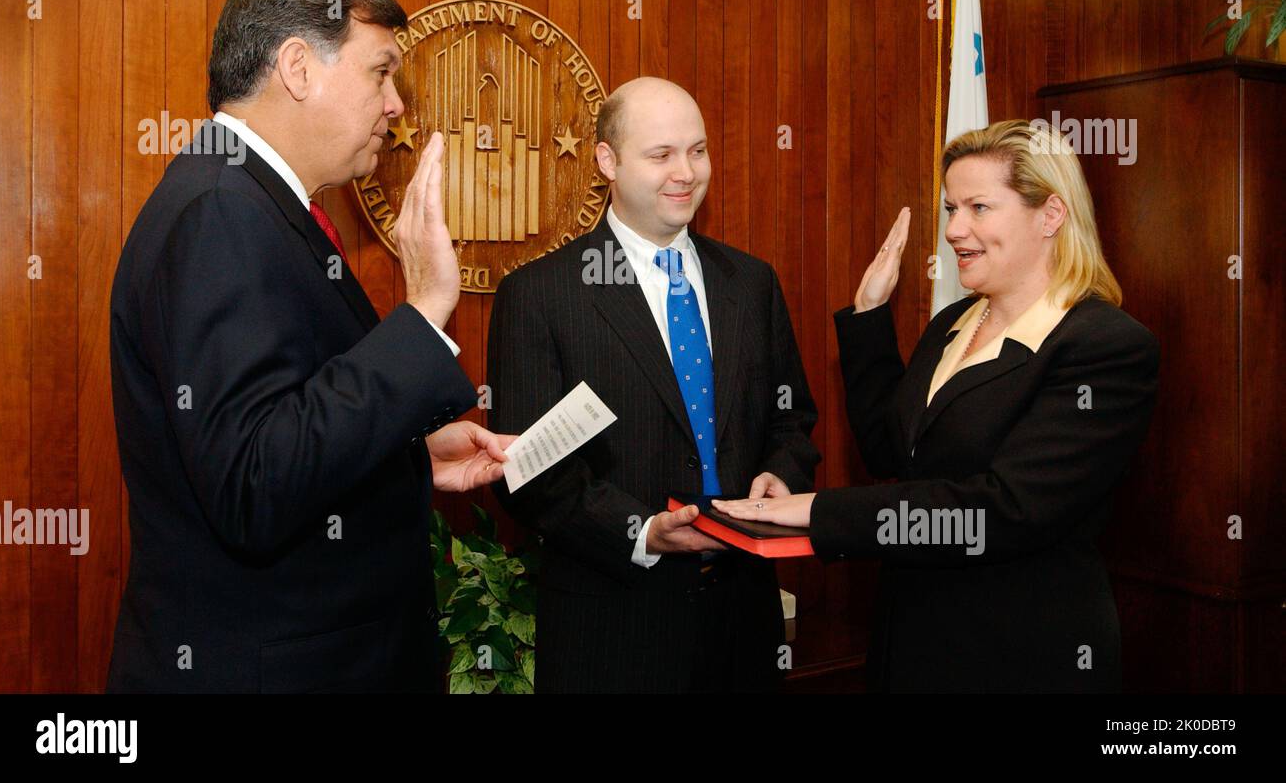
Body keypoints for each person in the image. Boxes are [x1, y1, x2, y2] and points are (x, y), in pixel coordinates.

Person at [107, 0, 511, 693]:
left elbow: (286, 427)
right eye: (381, 72)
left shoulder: (246, 198)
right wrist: (423, 311)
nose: (395, 105)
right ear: (297, 66)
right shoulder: (222, 212)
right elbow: (253, 487)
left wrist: (408, 453)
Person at [714, 119, 1160, 692]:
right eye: (951, 208)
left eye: (978, 208)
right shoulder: (955, 322)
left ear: (1050, 215)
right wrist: (871, 317)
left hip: (1020, 654)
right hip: (912, 640)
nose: (953, 229)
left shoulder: (1105, 345)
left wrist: (816, 511)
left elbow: (1001, 510)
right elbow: (890, 454)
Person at [486, 77, 820, 692]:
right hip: (614, 626)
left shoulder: (750, 283)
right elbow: (529, 472)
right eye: (661, 154)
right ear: (607, 161)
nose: (686, 172)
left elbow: (791, 419)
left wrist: (783, 473)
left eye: (698, 151)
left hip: (742, 625)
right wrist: (640, 531)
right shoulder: (540, 295)